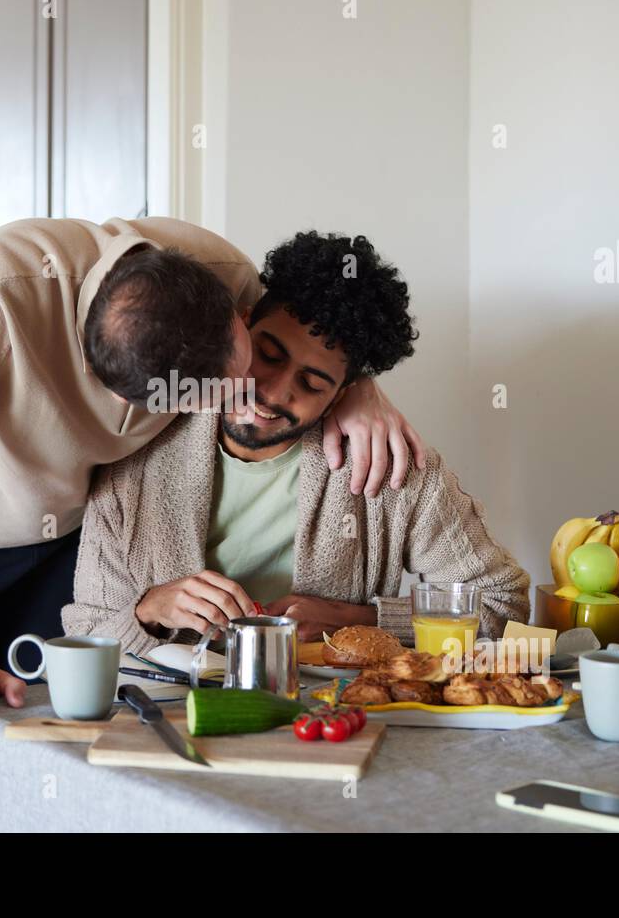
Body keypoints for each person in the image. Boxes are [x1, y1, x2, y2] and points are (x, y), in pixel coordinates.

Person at [0, 217, 426, 832]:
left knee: (56, 749)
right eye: (206, 398)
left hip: (68, 538)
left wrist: (360, 392)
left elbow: (315, 334)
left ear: (234, 316)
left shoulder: (227, 277)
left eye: (242, 364)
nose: (244, 402)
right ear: (130, 394)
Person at [62, 230, 529, 654]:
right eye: (268, 355)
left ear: (343, 393)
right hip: (166, 720)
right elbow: (85, 633)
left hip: (329, 717)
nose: (274, 394)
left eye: (312, 382)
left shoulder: (387, 469)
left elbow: (501, 604)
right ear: (240, 326)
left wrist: (362, 621)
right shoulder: (138, 454)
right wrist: (151, 610)